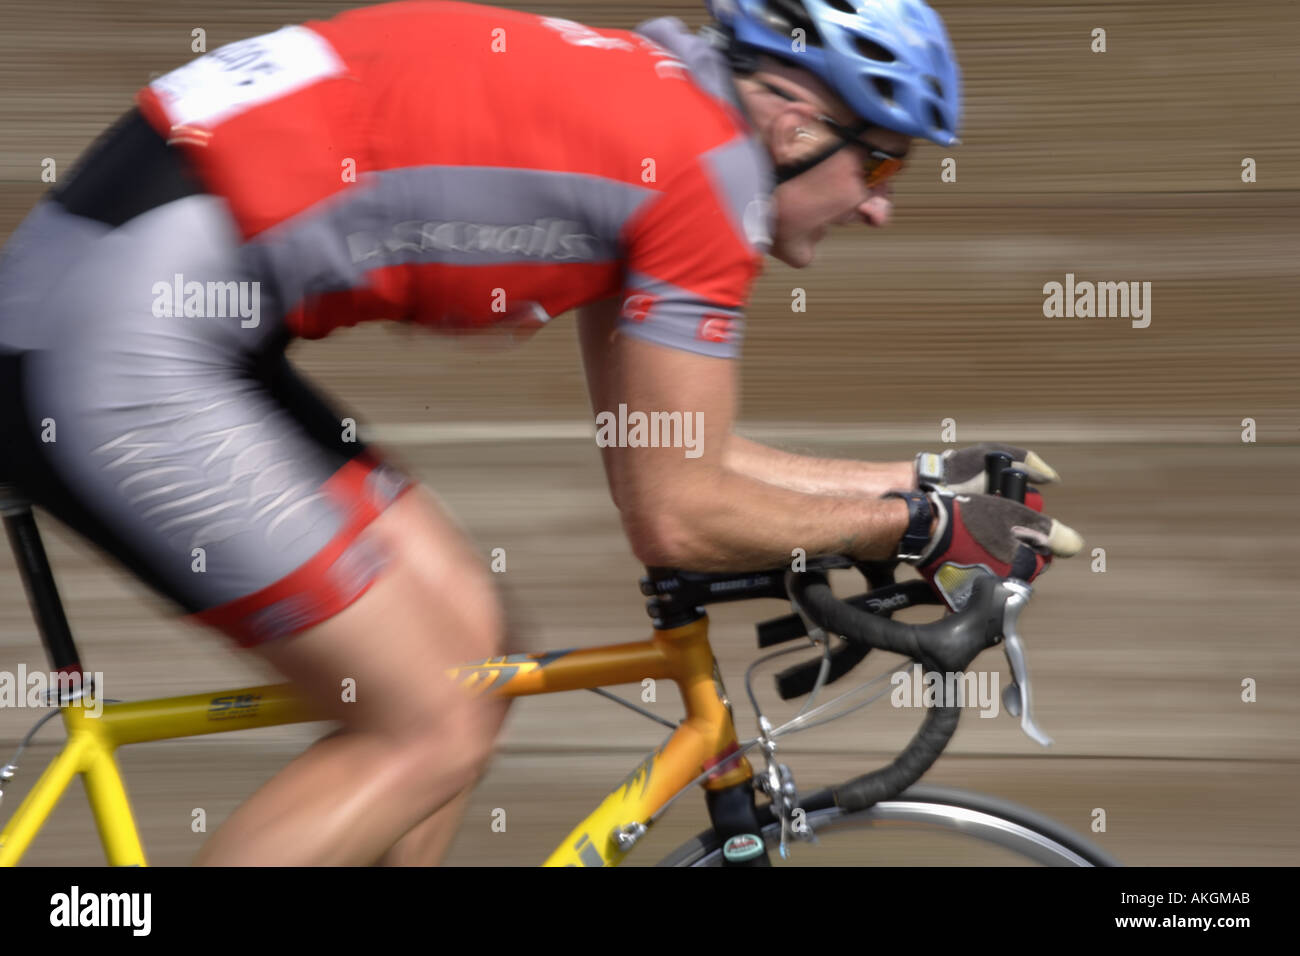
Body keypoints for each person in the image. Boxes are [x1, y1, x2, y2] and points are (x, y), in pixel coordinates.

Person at [0, 0, 1080, 865]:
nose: (881, 207)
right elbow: (679, 514)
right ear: (797, 122)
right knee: (428, 721)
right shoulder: (706, 180)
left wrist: (914, 488)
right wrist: (909, 522)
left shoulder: (665, 125)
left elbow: (672, 457)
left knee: (470, 649)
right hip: (119, 339)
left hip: (134, 297)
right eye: (882, 165)